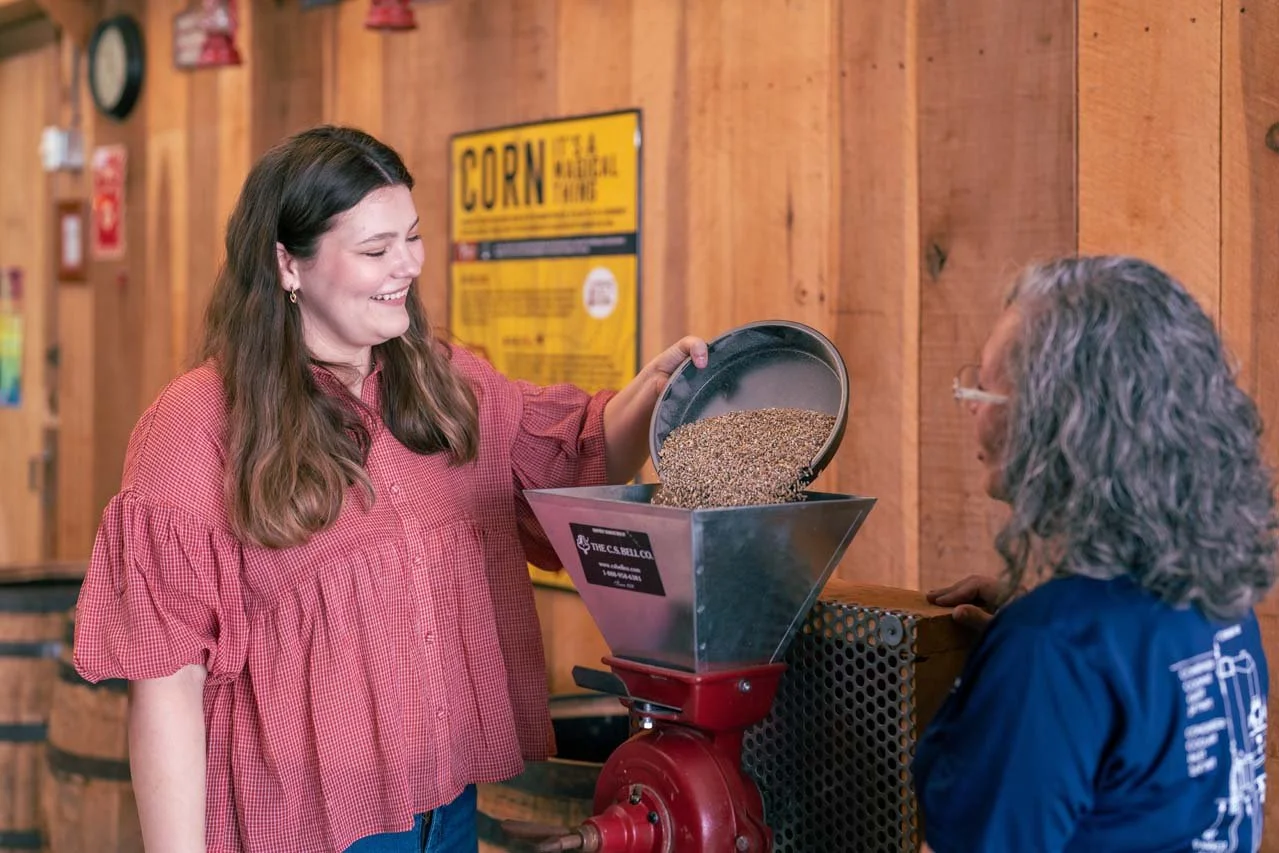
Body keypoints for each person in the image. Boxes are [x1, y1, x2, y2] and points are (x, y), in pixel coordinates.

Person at [71, 125, 710, 853]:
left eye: (411, 236)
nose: (405, 265)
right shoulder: (198, 423)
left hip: (447, 811)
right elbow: (167, 681)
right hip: (307, 829)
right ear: (287, 263)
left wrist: (654, 393)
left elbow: (576, 461)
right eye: (374, 250)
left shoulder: (444, 382)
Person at [912, 255, 1278, 853]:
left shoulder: (1051, 649)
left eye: (983, 388)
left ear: (1062, 424)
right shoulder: (1220, 603)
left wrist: (1039, 665)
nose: (970, 406)